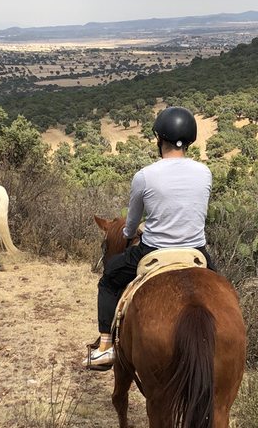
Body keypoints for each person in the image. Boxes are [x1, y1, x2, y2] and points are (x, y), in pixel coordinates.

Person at [84, 106, 216, 370]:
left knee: (109, 279)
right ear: (189, 140)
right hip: (196, 250)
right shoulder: (205, 173)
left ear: (160, 140)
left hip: (153, 250)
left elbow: (130, 226)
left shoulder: (145, 176)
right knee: (221, 289)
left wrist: (132, 232)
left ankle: (105, 347)